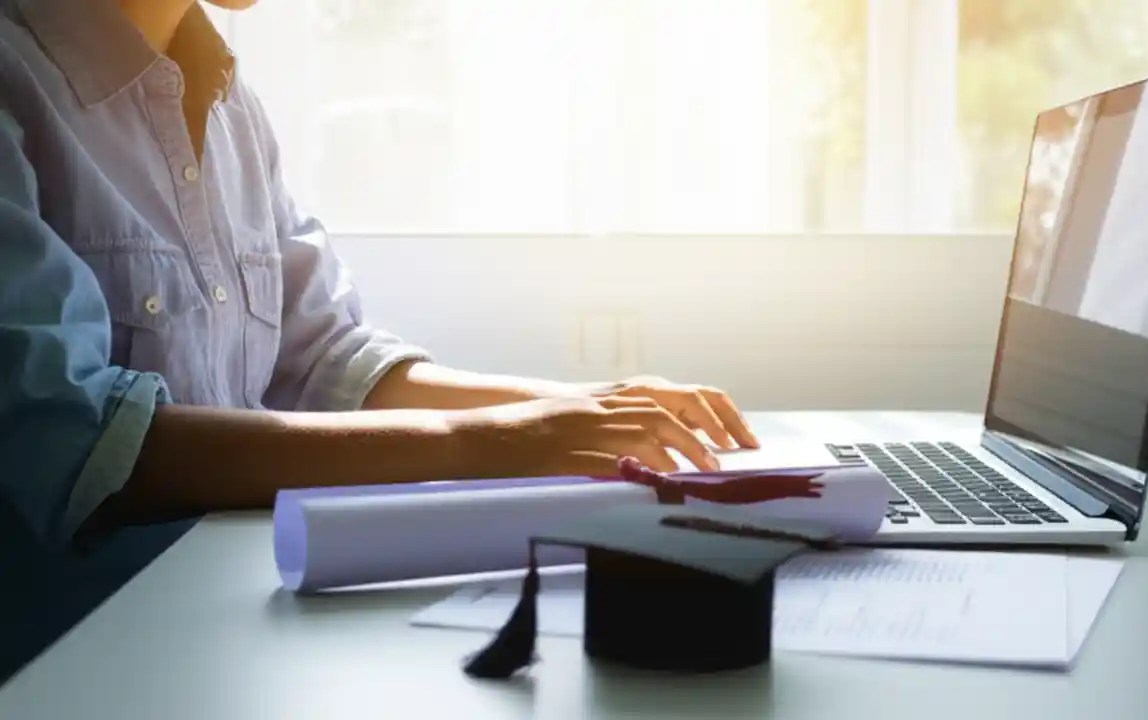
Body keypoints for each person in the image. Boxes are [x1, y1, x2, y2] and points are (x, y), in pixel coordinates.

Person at [0, 0, 758, 678]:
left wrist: (592, 408)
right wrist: (486, 441)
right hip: (81, 671)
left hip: (232, 632)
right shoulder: (15, 82)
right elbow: (79, 443)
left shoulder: (232, 109)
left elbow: (328, 363)